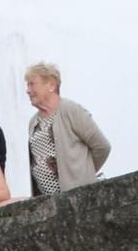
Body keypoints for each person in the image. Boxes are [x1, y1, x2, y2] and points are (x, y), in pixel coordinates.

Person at [24, 63, 110, 197]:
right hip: (46, 204)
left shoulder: (71, 110)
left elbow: (102, 147)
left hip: (76, 198)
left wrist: (82, 174)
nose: (28, 90)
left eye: (32, 84)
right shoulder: (33, 122)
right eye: (27, 85)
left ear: (51, 85)